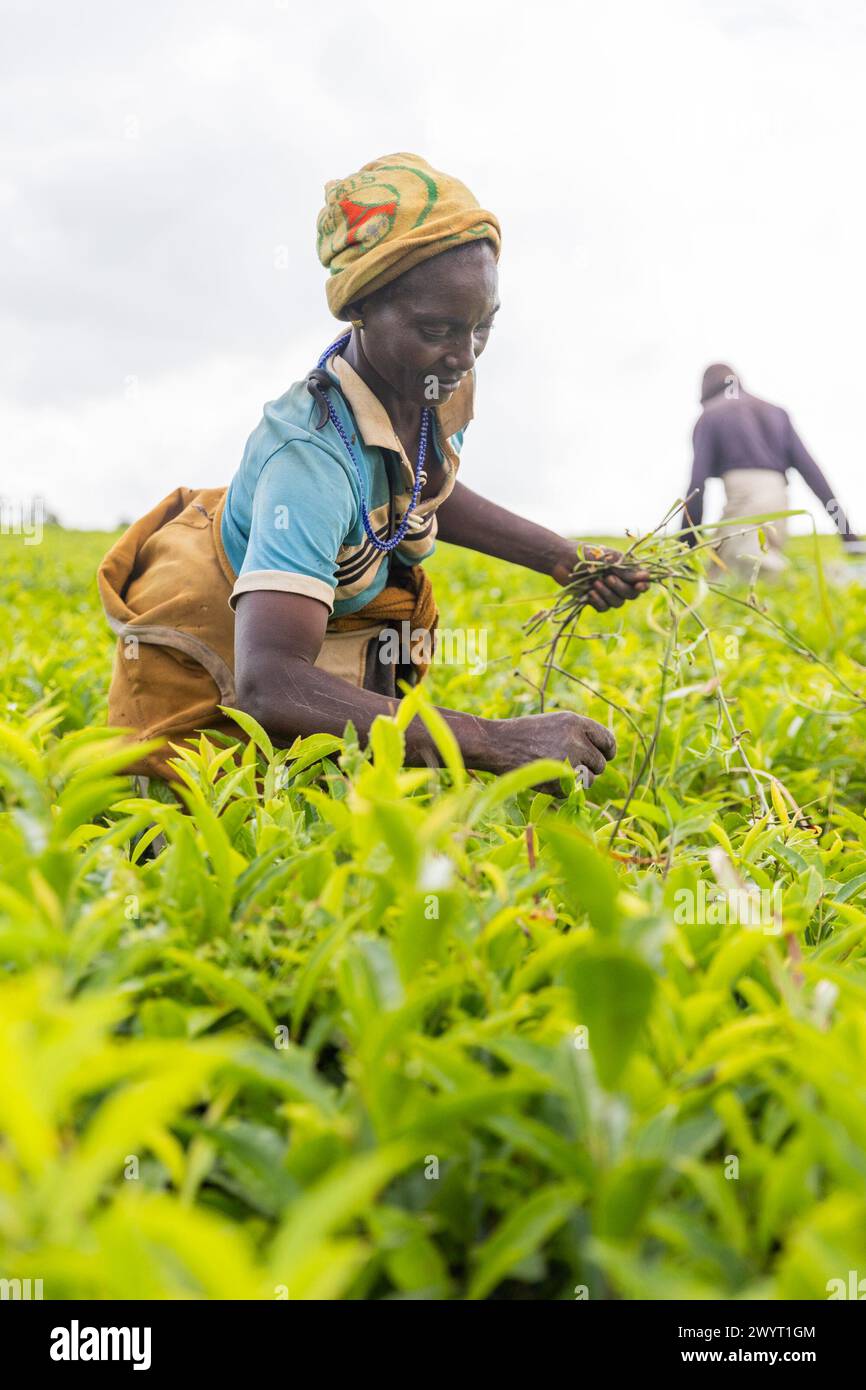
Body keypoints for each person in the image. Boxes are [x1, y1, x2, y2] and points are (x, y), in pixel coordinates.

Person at [99, 152, 650, 788]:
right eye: (437, 329)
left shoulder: (429, 382)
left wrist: (560, 557)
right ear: (359, 309)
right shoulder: (307, 465)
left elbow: (423, 484)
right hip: (226, 643)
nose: (463, 356)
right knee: (212, 804)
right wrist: (493, 742)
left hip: (322, 611)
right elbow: (270, 684)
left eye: (482, 329)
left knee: (352, 781)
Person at [680, 362, 861, 572]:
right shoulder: (775, 412)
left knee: (742, 571)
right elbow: (814, 475)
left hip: (746, 503)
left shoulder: (710, 416)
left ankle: (833, 578)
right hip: (779, 505)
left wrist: (686, 547)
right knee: (729, 567)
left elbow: (697, 485)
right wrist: (848, 535)